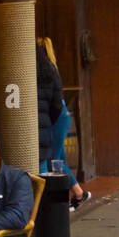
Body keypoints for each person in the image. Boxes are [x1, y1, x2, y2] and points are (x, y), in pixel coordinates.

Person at [36, 38, 91, 210]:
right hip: (60, 116)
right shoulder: (51, 67)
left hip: (57, 117)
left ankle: (70, 197)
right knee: (58, 158)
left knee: (54, 160)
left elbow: (54, 104)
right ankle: (78, 193)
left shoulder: (45, 69)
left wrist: (48, 120)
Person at [36, 40, 64, 171]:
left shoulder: (19, 68)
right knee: (43, 168)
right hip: (45, 124)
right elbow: (57, 105)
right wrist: (48, 119)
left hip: (23, 128)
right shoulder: (51, 69)